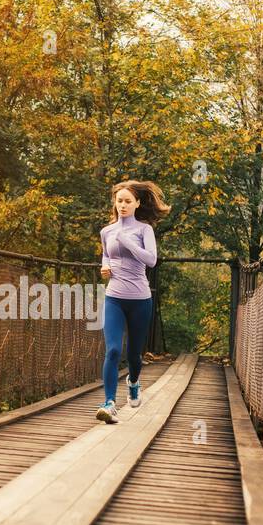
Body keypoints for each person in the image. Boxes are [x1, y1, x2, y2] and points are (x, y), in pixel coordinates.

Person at [95, 179, 170, 424]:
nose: (123, 205)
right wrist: (105, 267)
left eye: (128, 201)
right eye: (119, 201)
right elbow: (106, 255)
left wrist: (127, 242)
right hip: (114, 297)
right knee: (114, 349)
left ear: (137, 203)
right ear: (115, 204)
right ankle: (109, 403)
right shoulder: (106, 231)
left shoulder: (144, 230)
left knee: (134, 355)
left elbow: (151, 260)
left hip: (140, 300)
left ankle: (134, 382)